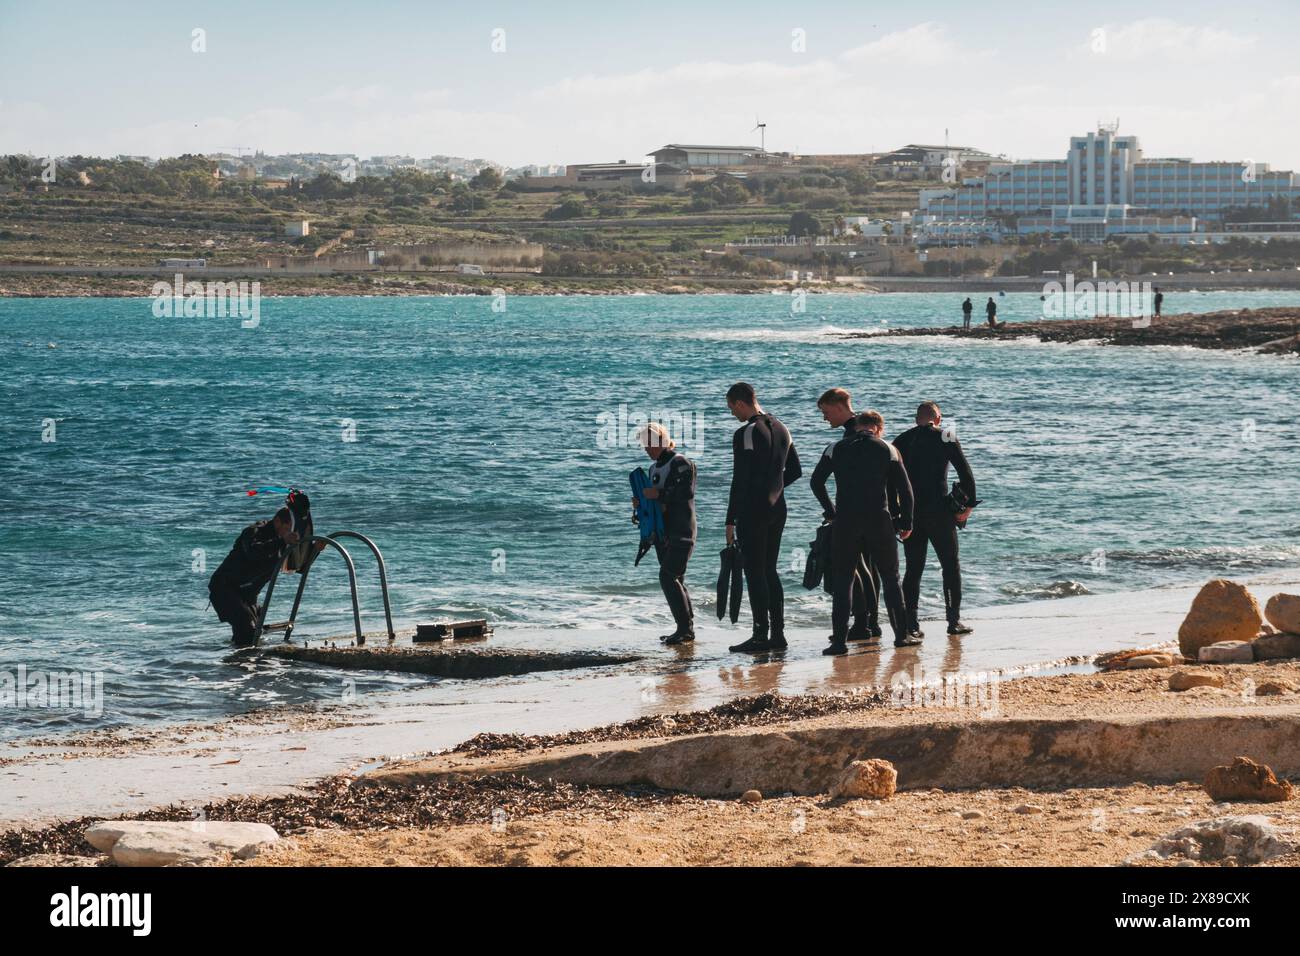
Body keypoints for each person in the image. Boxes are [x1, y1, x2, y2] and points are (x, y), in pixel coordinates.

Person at [811, 412, 915, 655]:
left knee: (843, 579)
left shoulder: (834, 448)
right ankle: (901, 637)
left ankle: (838, 643)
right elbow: (905, 490)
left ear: (857, 427)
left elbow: (816, 482)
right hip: (878, 519)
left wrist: (831, 511)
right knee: (890, 578)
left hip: (846, 521)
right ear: (878, 428)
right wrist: (907, 523)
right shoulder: (888, 449)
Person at [725, 382, 802, 652]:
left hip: (753, 510)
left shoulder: (746, 432)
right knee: (770, 569)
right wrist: (774, 488)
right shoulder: (782, 427)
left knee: (755, 572)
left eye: (731, 409)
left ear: (739, 403)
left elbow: (740, 479)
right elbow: (795, 470)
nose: (732, 414)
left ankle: (760, 636)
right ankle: (778, 636)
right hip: (778, 508)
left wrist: (730, 518)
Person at [893, 402, 977, 638]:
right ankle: (953, 621)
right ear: (938, 419)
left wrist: (896, 515)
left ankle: (911, 624)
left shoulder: (902, 439)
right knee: (950, 565)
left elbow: (891, 480)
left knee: (913, 569)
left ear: (915, 418)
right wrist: (968, 507)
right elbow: (966, 474)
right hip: (940, 512)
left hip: (911, 513)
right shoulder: (947, 436)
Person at [813, 388, 881, 640]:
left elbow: (816, 481)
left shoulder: (843, 442)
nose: (824, 418)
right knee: (870, 568)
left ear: (840, 407)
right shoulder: (873, 435)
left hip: (850, 515)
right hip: (876, 514)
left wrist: (831, 511)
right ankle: (872, 623)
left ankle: (861, 624)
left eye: (826, 412)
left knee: (854, 569)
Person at [635, 422, 697, 645]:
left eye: (648, 444)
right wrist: (641, 503)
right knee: (676, 578)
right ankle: (686, 629)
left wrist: (657, 494)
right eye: (643, 445)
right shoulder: (653, 469)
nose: (646, 449)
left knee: (668, 576)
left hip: (682, 531)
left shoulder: (680, 462)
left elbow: (685, 492)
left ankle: (684, 628)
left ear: (660, 441)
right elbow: (654, 501)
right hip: (663, 534)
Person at [209, 507, 300, 647]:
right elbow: (253, 553)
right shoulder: (254, 531)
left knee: (254, 629)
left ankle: (240, 662)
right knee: (247, 628)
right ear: (277, 521)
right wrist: (282, 541)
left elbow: (299, 564)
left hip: (247, 593)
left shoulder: (281, 541)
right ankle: (241, 664)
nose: (288, 534)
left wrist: (316, 549)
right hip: (224, 587)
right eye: (286, 529)